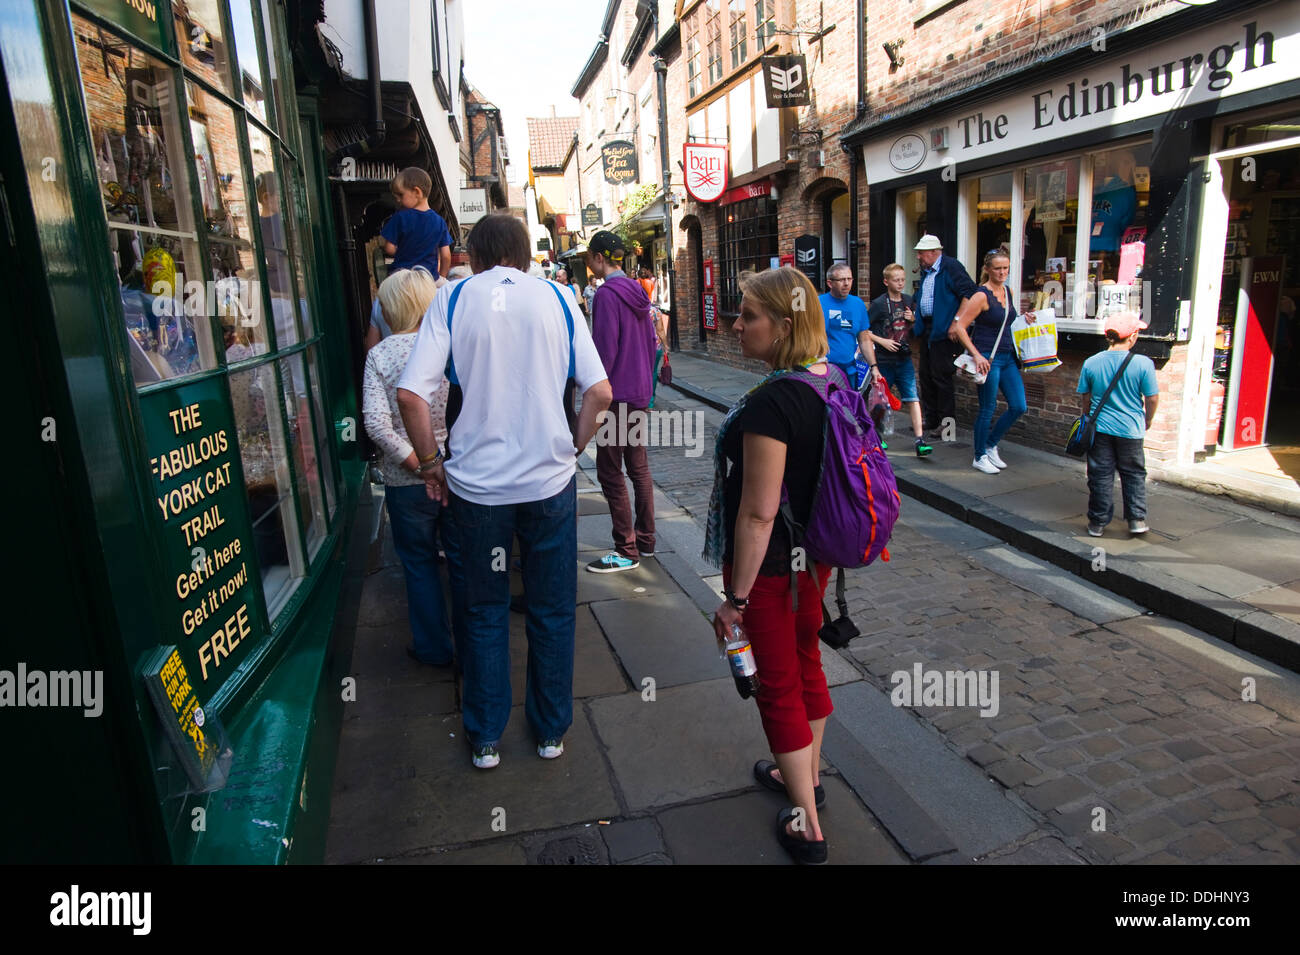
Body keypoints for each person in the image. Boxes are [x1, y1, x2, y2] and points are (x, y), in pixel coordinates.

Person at [396, 214, 612, 770]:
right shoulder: (560, 297)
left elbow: (411, 397)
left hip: (477, 491)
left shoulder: (452, 297)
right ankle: (549, 733)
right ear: (520, 252)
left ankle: (486, 736)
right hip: (549, 485)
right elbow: (600, 391)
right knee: (552, 609)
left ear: (473, 251)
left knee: (484, 610)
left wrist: (429, 464)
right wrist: (572, 448)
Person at [704, 266, 835, 865]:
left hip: (773, 570)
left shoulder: (772, 405)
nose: (736, 326)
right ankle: (804, 777)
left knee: (776, 685)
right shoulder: (829, 380)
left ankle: (806, 828)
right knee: (806, 663)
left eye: (748, 316)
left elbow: (756, 516)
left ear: (784, 326)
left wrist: (734, 599)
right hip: (817, 559)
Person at [362, 269, 452, 666]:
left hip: (406, 483)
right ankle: (474, 645)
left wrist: (419, 465)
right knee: (466, 562)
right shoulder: (450, 348)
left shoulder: (380, 355)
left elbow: (377, 423)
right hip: (457, 475)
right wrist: (439, 465)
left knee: (419, 565)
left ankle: (433, 647)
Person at [585, 230, 658, 573]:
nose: (590, 265)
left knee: (610, 472)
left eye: (590, 259)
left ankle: (625, 549)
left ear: (600, 257)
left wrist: (594, 398)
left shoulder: (606, 296)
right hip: (639, 393)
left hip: (615, 397)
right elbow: (650, 346)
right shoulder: (638, 293)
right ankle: (646, 541)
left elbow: (603, 353)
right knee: (638, 469)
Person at [950, 250, 1032, 474]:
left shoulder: (1009, 291)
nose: (1002, 272)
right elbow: (959, 327)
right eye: (998, 268)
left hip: (1007, 356)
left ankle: (991, 444)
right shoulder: (981, 295)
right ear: (987, 269)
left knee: (1018, 406)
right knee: (988, 408)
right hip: (988, 358)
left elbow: (1007, 321)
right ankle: (979, 456)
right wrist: (976, 355)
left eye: (1006, 267)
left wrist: (1025, 318)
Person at [1078, 311, 1159, 537]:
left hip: (1100, 427)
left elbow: (1086, 398)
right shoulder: (1143, 364)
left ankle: (1097, 523)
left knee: (1100, 474)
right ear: (1132, 336)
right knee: (1133, 473)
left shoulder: (1091, 363)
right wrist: (1148, 418)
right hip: (1131, 429)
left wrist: (1087, 419)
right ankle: (1136, 520)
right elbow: (1152, 398)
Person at [912, 234, 977, 435]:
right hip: (929, 329)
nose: (918, 257)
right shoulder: (927, 271)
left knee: (942, 378)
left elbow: (969, 294)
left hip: (945, 330)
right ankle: (931, 419)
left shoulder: (951, 267)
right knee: (926, 376)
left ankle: (948, 427)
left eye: (921, 253)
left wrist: (957, 322)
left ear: (934, 252)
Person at [867, 263, 932, 457]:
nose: (900, 283)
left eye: (903, 279)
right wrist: (882, 342)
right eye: (896, 280)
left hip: (904, 359)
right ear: (886, 281)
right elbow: (864, 332)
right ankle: (877, 437)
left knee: (912, 398)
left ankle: (920, 440)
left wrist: (913, 320)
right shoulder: (878, 304)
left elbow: (916, 329)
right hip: (884, 360)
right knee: (880, 401)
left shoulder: (909, 300)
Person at [381, 167, 453, 280]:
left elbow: (389, 248)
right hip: (429, 279)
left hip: (402, 278)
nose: (398, 200)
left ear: (416, 192)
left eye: (400, 195)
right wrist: (442, 278)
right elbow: (446, 256)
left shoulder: (400, 217)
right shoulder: (440, 222)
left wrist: (405, 252)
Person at [819, 264, 881, 389]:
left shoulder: (857, 304)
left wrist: (874, 367)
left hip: (849, 371)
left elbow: (864, 339)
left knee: (848, 407)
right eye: (842, 280)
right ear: (830, 283)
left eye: (849, 279)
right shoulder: (818, 303)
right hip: (824, 370)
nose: (847, 283)